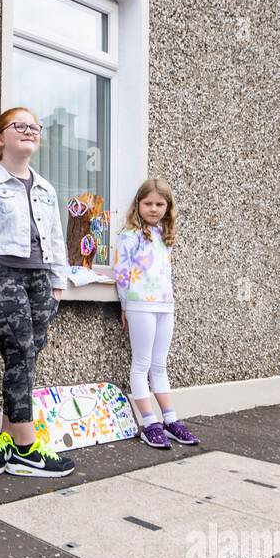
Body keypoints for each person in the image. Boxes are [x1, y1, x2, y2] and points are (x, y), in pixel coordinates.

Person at [0, 107, 75, 477]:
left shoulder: (45, 188)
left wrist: (58, 282)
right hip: (2, 275)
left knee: (25, 357)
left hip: (41, 280)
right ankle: (28, 447)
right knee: (22, 348)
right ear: (0, 138)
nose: (29, 130)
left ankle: (6, 441)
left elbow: (56, 239)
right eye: (19, 125)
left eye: (34, 127)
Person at [113, 178, 200, 449]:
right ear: (138, 204)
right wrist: (125, 306)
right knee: (142, 364)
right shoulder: (130, 235)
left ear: (168, 206)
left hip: (165, 305)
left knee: (160, 364)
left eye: (159, 204)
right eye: (148, 203)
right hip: (140, 305)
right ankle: (149, 422)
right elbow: (122, 274)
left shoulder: (165, 235)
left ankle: (171, 420)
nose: (153, 208)